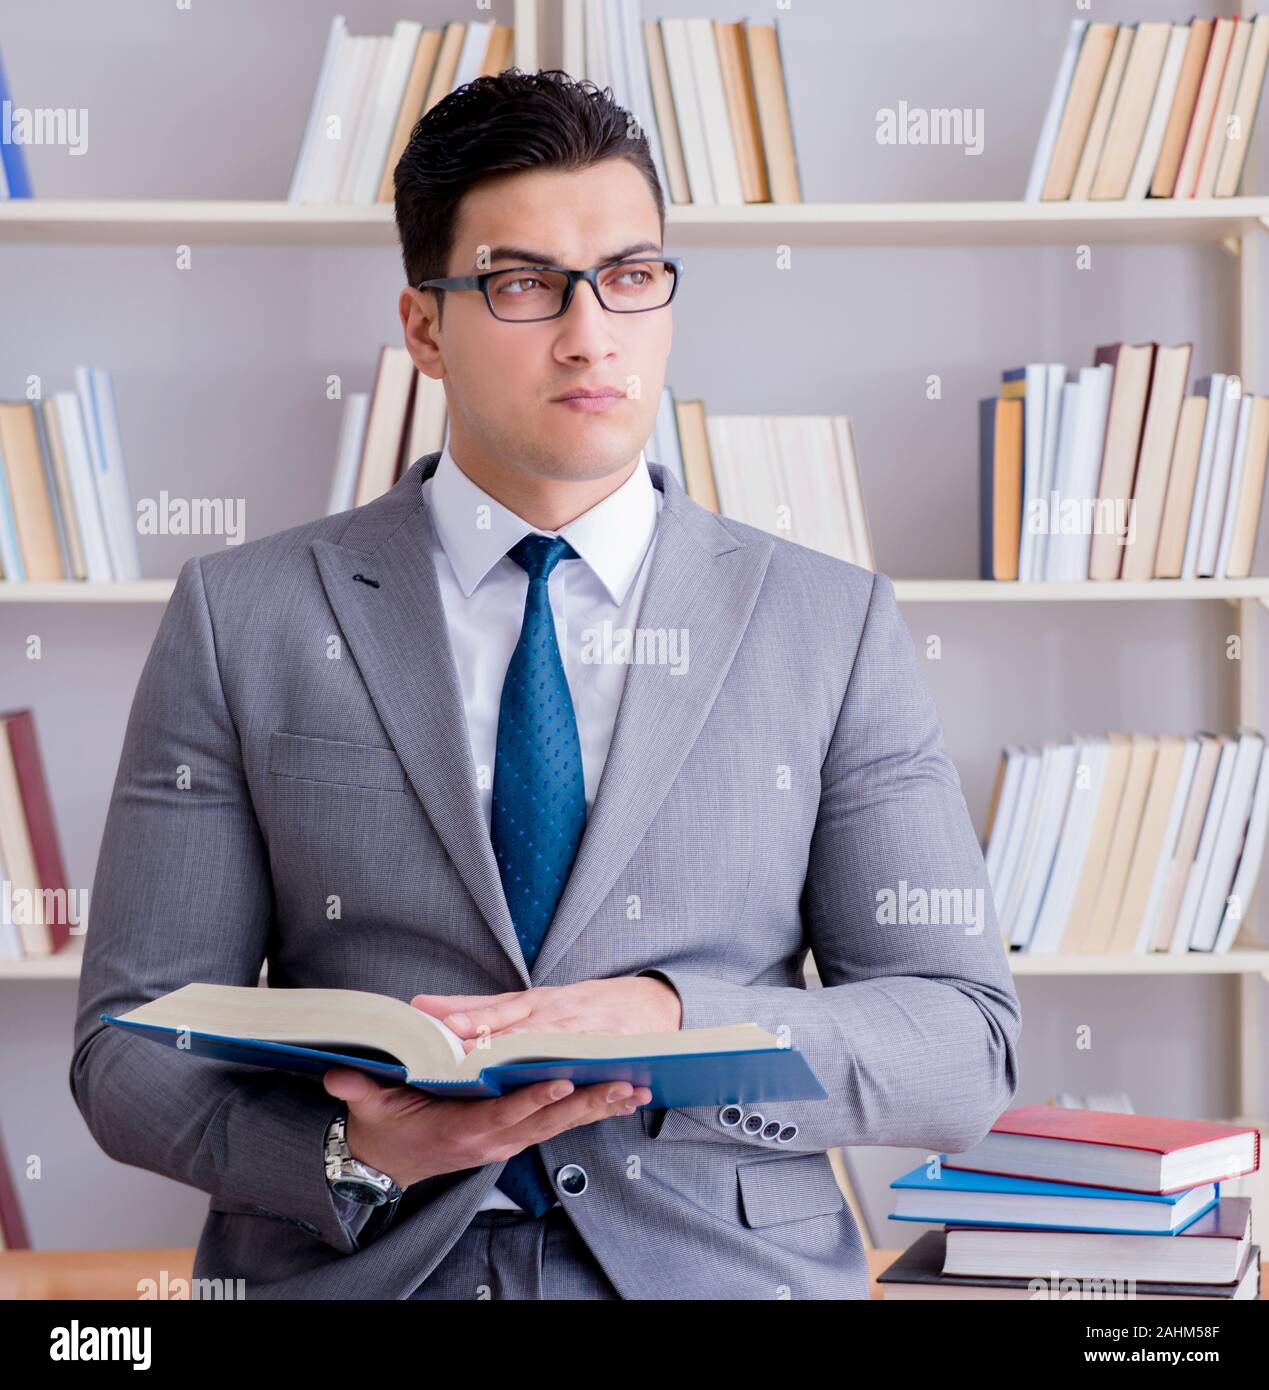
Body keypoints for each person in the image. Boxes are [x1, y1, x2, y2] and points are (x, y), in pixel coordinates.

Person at [70, 69, 1020, 1300]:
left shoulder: (827, 622)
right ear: (423, 324)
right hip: (357, 1267)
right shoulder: (243, 614)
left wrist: (677, 1021)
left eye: (630, 275)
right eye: (523, 285)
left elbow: (962, 1039)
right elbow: (124, 1045)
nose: (591, 333)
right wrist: (352, 1148)